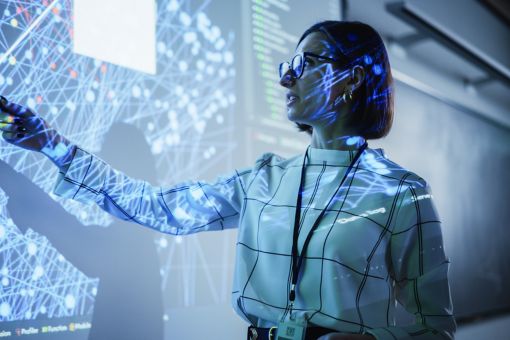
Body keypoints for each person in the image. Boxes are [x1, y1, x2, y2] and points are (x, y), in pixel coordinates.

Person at [0, 21, 456, 340]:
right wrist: (52, 144)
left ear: (351, 79)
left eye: (304, 63)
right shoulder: (266, 179)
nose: (286, 80)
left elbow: (434, 328)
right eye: (286, 67)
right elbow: (155, 206)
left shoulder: (403, 194)